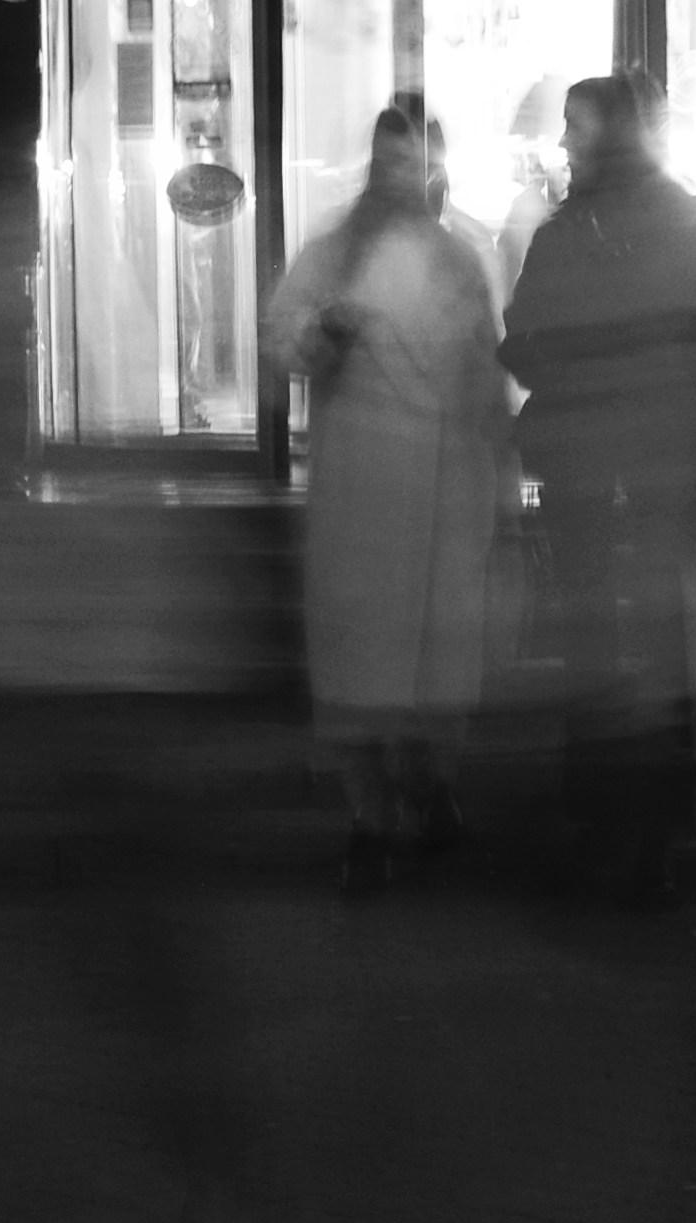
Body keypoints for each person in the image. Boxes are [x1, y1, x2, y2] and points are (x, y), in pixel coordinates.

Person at [499, 72, 696, 905]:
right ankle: (651, 826)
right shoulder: (688, 223)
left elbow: (528, 342)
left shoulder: (568, 232)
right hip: (658, 466)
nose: (565, 141)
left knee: (596, 643)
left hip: (591, 468)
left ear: (609, 132)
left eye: (576, 125)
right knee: (656, 639)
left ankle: (607, 820)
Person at [267, 104, 515, 894]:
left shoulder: (459, 261)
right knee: (363, 659)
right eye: (387, 160)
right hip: (363, 496)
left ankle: (431, 787)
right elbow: (283, 346)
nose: (397, 176)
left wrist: (496, 489)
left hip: (445, 494)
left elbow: (484, 377)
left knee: (436, 661)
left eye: (411, 162)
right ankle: (368, 816)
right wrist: (322, 335)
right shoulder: (331, 255)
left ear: (433, 169)